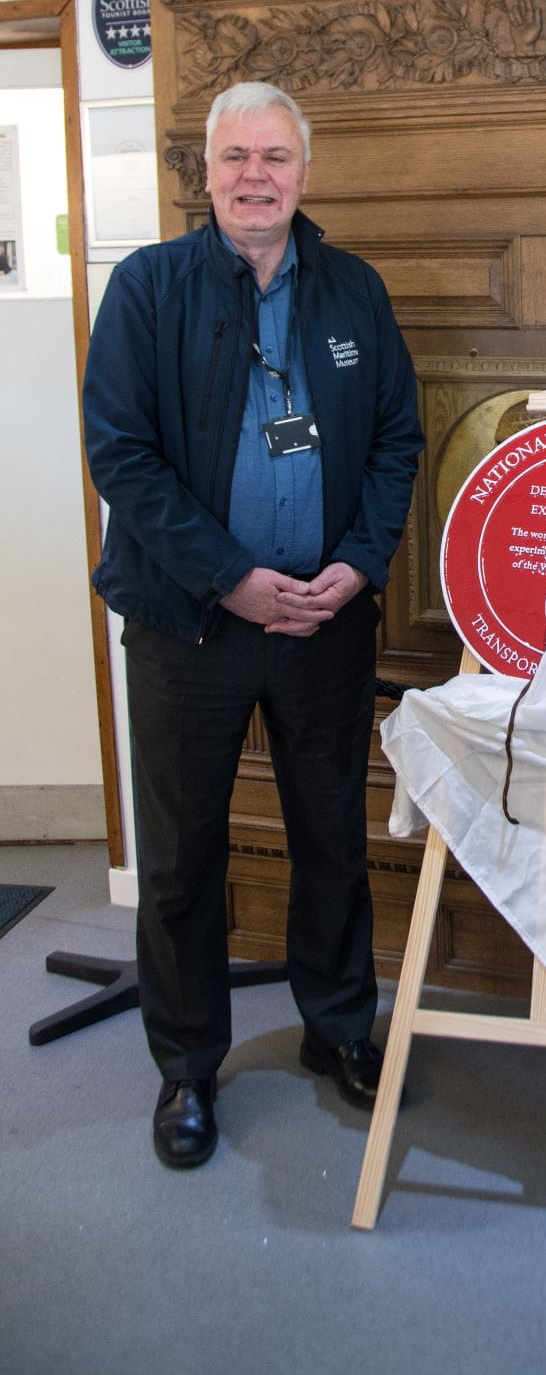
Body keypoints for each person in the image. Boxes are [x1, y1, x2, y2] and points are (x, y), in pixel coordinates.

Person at [83, 81, 424, 1170]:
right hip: (192, 624)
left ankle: (339, 1029)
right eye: (234, 157)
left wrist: (358, 564)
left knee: (333, 835)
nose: (254, 176)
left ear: (304, 173)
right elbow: (121, 457)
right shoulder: (147, 289)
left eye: (274, 157)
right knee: (182, 855)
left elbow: (395, 442)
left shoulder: (355, 291)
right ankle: (186, 1069)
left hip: (324, 620)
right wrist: (228, 576)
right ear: (206, 172)